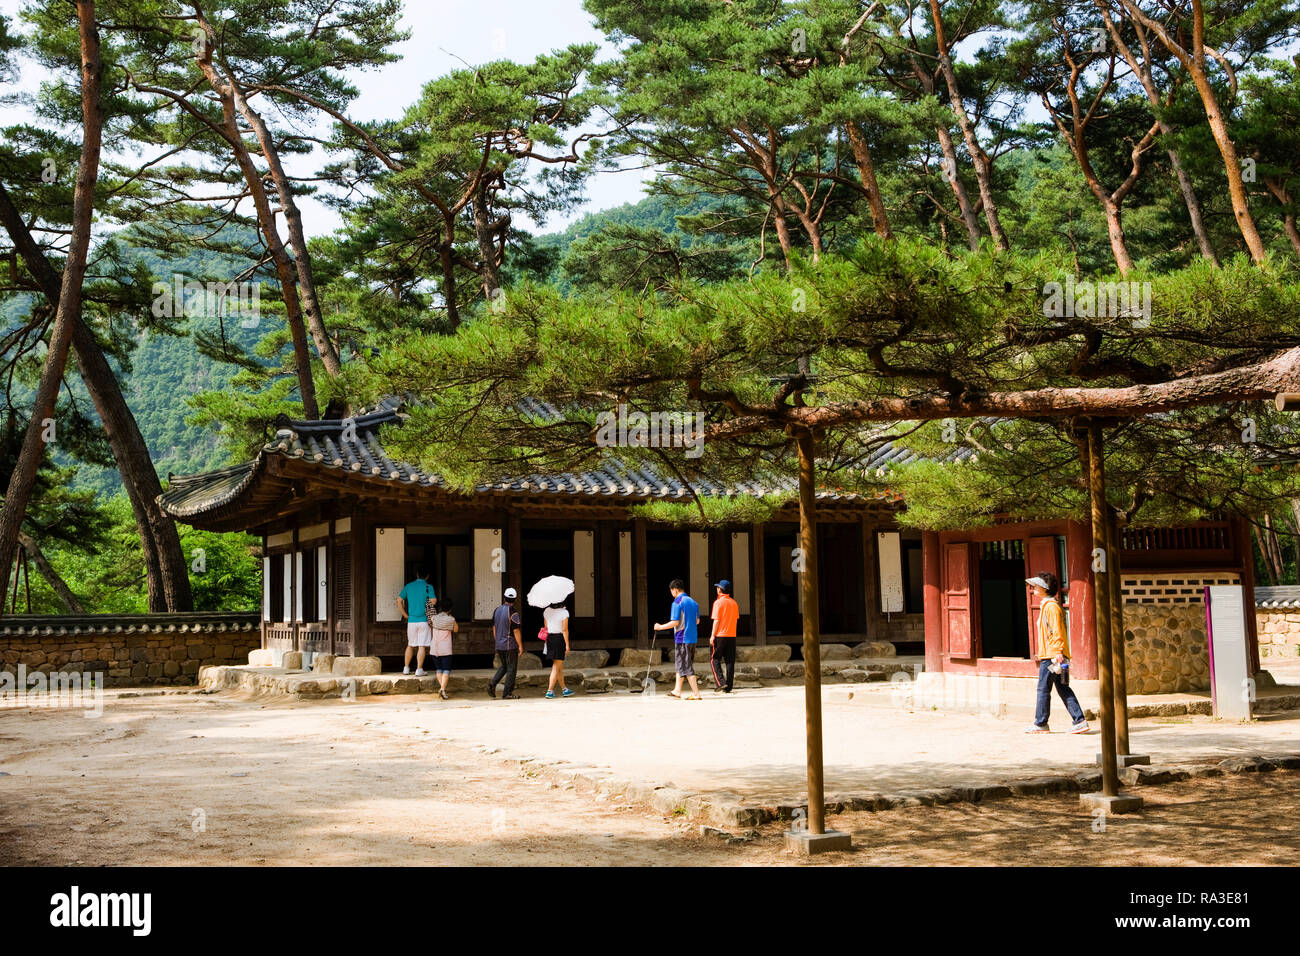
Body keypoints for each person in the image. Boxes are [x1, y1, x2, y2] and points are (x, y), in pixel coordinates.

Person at [1025, 572, 1089, 734]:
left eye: (1036, 586)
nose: (1034, 589)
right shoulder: (1049, 605)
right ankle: (1079, 720)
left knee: (1043, 689)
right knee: (1063, 687)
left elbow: (1056, 632)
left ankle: (1041, 723)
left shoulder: (1051, 607)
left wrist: (1058, 652)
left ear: (1045, 588)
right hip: (1057, 656)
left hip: (1052, 657)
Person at [654, 578, 701, 700]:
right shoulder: (693, 602)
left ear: (675, 590)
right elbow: (697, 621)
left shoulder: (677, 602)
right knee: (681, 664)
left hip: (682, 638)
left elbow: (675, 622)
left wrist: (660, 627)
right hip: (692, 638)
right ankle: (677, 690)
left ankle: (696, 694)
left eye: (671, 591)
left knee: (686, 666)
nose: (671, 593)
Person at [397, 565, 436, 676]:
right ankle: (419, 669)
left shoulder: (408, 586)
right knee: (421, 646)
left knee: (410, 645)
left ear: (417, 574)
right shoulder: (429, 587)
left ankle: (406, 668)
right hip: (424, 620)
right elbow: (434, 601)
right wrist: (425, 605)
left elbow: (399, 600)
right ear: (427, 576)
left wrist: (405, 614)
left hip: (412, 620)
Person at [488, 587, 524, 700]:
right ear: (515, 599)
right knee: (512, 668)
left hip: (499, 644)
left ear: (504, 597)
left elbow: (494, 627)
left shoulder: (497, 610)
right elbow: (516, 630)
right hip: (510, 644)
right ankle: (507, 693)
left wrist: (497, 639)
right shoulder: (513, 613)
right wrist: (520, 645)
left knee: (504, 666)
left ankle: (492, 684)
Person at [709, 579, 739, 694]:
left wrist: (712, 635)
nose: (717, 589)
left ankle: (721, 682)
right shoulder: (734, 603)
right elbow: (735, 619)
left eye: (718, 587)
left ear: (720, 590)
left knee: (714, 659)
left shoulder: (718, 603)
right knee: (730, 661)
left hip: (720, 635)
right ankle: (729, 686)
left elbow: (716, 621)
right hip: (732, 635)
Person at [543, 599, 574, 699]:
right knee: (556, 666)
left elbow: (546, 627)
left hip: (550, 638)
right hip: (559, 639)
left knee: (558, 665)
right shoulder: (564, 612)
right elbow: (564, 629)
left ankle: (564, 689)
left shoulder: (546, 611)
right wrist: (567, 644)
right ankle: (550, 691)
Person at [428, 598, 458, 700]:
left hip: (434, 648)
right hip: (445, 649)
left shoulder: (434, 618)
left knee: (439, 669)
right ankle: (442, 689)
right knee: (446, 670)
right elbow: (456, 629)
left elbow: (430, 621)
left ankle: (442, 689)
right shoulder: (451, 619)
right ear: (450, 609)